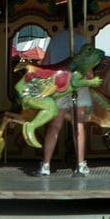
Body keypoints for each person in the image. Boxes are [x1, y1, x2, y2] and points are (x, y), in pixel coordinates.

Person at [38, 20, 93, 177]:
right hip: (77, 83)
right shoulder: (82, 41)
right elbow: (88, 70)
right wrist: (91, 78)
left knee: (55, 125)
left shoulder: (55, 40)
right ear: (79, 25)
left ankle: (46, 165)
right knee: (78, 124)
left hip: (58, 83)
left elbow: (45, 63)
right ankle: (81, 164)